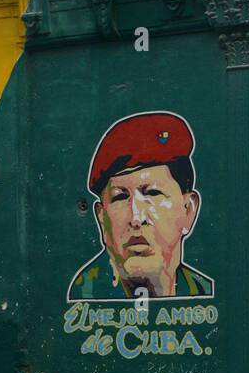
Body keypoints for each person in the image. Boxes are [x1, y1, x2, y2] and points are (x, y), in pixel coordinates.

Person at [67, 111, 214, 301]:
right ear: (102, 219)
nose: (136, 218)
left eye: (152, 193)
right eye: (120, 197)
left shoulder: (204, 293)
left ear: (188, 209)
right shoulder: (83, 297)